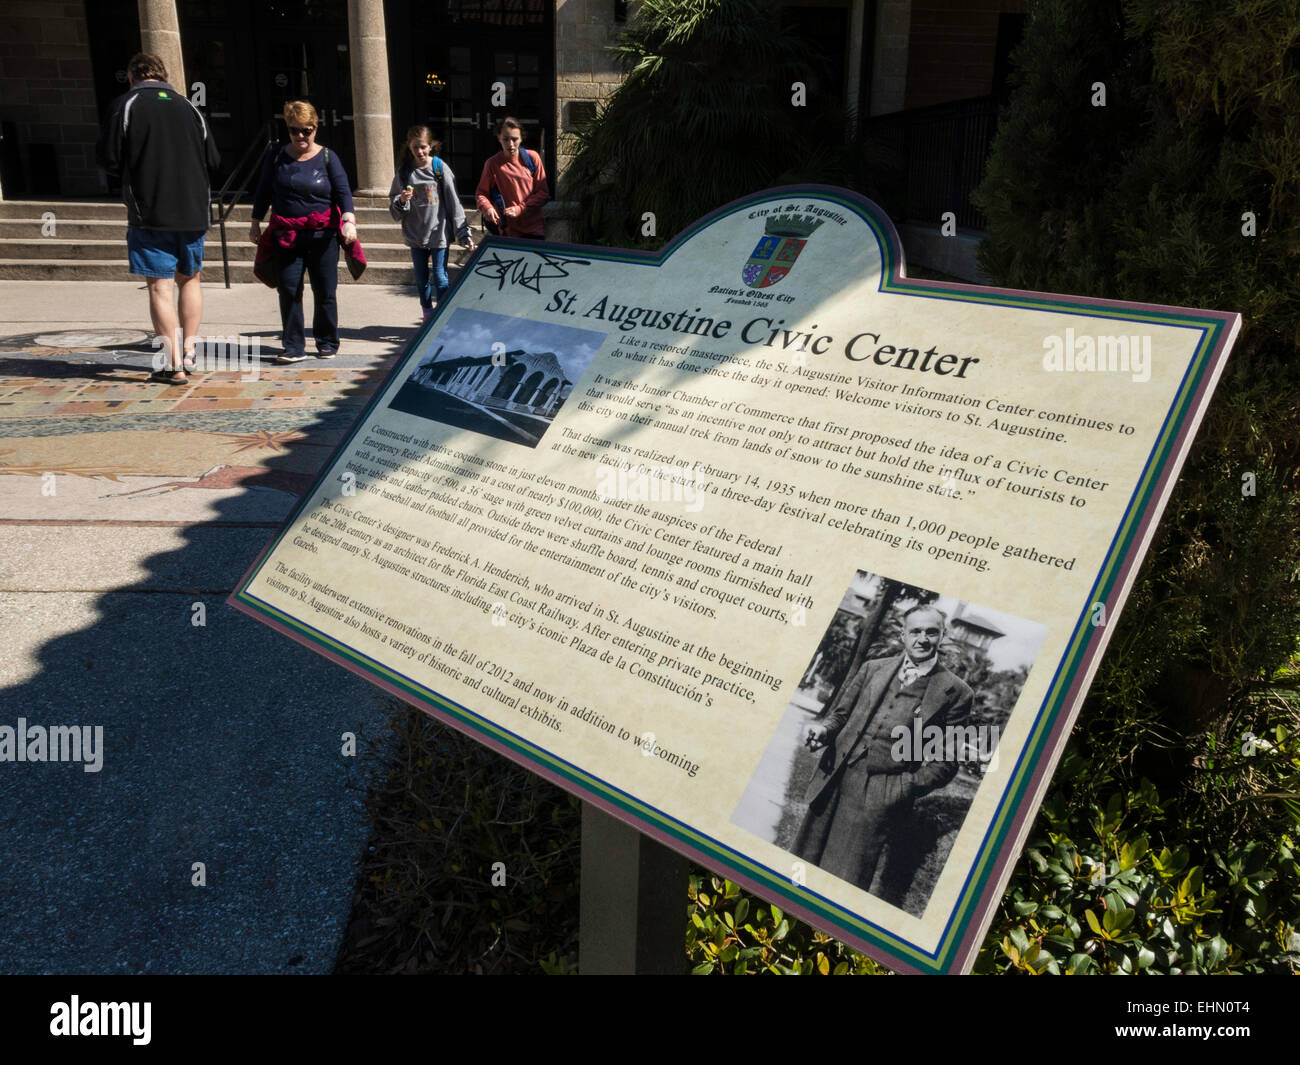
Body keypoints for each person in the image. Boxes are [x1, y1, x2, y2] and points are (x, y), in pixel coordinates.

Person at [793, 605, 973, 896]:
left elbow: (947, 759)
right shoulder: (873, 668)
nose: (923, 638)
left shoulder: (956, 691)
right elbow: (840, 716)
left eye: (931, 632)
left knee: (846, 880)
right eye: (915, 631)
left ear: (942, 636)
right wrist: (823, 731)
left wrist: (904, 787)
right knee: (802, 861)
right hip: (834, 776)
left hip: (881, 792)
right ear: (903, 634)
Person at [97, 52, 220, 385]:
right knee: (190, 279)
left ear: (132, 77)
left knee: (160, 288)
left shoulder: (126, 105)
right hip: (194, 211)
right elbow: (213, 158)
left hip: (150, 212)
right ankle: (190, 350)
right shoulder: (189, 107)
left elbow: (108, 158)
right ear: (164, 76)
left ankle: (174, 363)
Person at [249, 100, 358, 363]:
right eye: (294, 130)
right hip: (287, 235)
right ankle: (294, 346)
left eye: (306, 130)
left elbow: (343, 191)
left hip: (323, 236)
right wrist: (255, 221)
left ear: (315, 128)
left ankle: (327, 341)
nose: (300, 136)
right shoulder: (276, 155)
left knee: (325, 291)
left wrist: (349, 220)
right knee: (288, 289)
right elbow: (264, 189)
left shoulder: (328, 157)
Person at [389, 126, 474, 320]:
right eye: (415, 147)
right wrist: (402, 200)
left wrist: (463, 232)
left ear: (430, 146)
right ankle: (427, 313)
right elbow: (394, 203)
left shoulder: (439, 168)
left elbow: (454, 202)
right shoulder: (404, 172)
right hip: (415, 235)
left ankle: (441, 317)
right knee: (421, 280)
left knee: (440, 277)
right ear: (409, 148)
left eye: (423, 147)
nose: (420, 151)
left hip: (438, 233)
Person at [475, 117, 549, 240]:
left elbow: (543, 193)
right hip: (507, 230)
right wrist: (487, 208)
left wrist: (520, 209)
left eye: (515, 139)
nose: (510, 144)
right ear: (499, 138)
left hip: (534, 229)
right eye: (505, 139)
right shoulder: (492, 164)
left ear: (521, 138)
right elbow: (481, 193)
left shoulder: (532, 158)